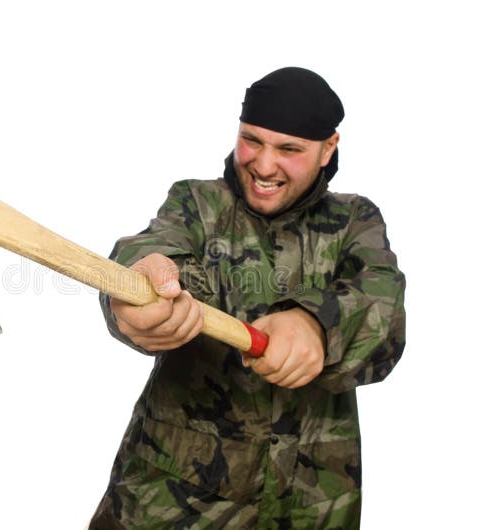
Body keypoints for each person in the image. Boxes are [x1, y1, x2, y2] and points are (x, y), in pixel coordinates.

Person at [89, 67, 406, 529]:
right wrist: (145, 290)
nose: (263, 165)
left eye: (289, 149)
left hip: (314, 505)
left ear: (328, 148)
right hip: (174, 501)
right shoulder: (196, 202)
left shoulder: (355, 220)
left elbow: (383, 302)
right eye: (251, 140)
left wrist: (317, 323)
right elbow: (158, 246)